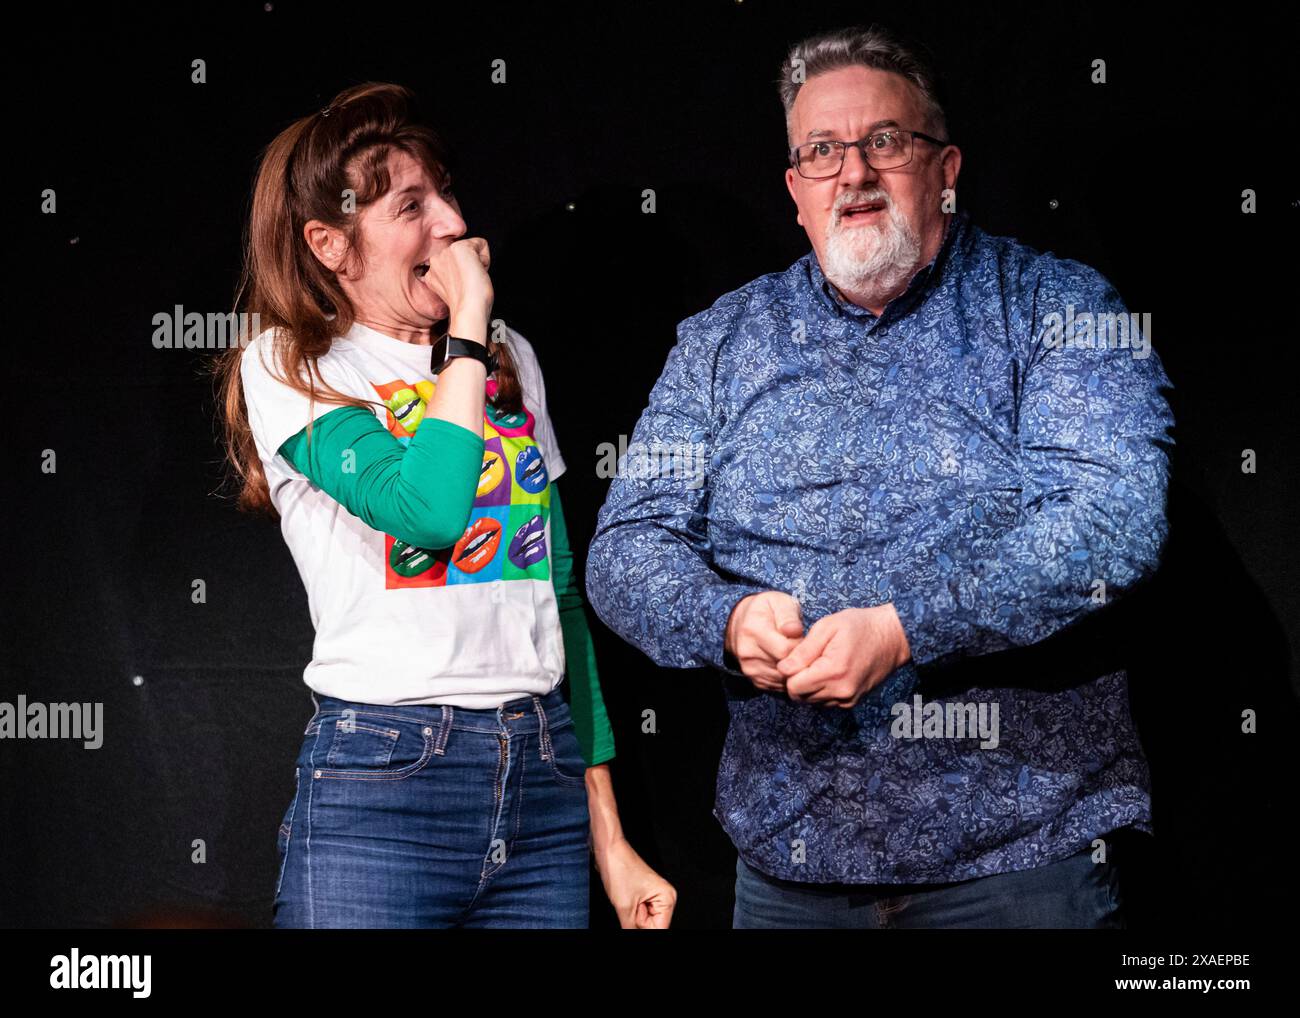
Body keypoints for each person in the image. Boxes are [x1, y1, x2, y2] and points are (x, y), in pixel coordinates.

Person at [584, 25, 1175, 928]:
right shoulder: (721, 342)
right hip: (789, 865)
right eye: (822, 151)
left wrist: (906, 630)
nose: (853, 172)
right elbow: (626, 548)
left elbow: (1113, 517)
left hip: (1018, 860)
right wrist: (728, 619)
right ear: (795, 191)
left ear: (946, 168)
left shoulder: (1058, 307)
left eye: (885, 142)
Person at [212, 82, 675, 928]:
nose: (452, 225)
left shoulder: (509, 360)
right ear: (331, 244)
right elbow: (423, 511)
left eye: (447, 195)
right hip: (386, 782)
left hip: (542, 781)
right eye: (410, 205)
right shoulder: (294, 365)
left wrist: (609, 836)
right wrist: (466, 326)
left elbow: (559, 597)